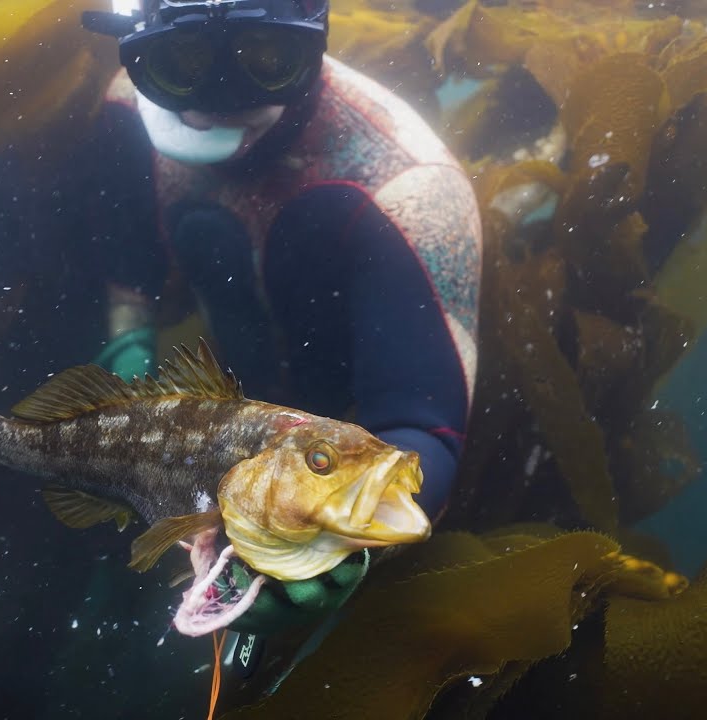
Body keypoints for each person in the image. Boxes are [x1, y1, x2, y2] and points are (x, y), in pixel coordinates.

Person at [81, 0, 481, 634]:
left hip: (333, 465)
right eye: (179, 62)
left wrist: (339, 553)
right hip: (206, 457)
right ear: (136, 49)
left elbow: (420, 423)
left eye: (266, 56)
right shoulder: (125, 111)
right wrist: (128, 346)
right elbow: (129, 264)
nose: (220, 93)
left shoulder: (412, 190)